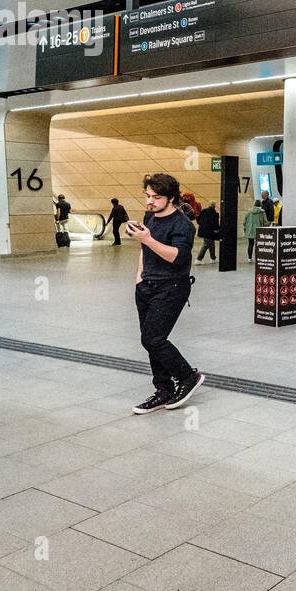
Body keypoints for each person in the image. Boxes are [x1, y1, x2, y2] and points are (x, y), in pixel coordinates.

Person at [128, 173, 205, 414]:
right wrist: (139, 276)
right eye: (147, 196)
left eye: (156, 197)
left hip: (172, 287)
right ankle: (164, 389)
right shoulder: (149, 216)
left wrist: (148, 239)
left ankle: (188, 376)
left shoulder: (182, 224)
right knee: (151, 341)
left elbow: (177, 257)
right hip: (146, 286)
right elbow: (144, 247)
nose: (150, 201)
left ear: (171, 198)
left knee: (153, 339)